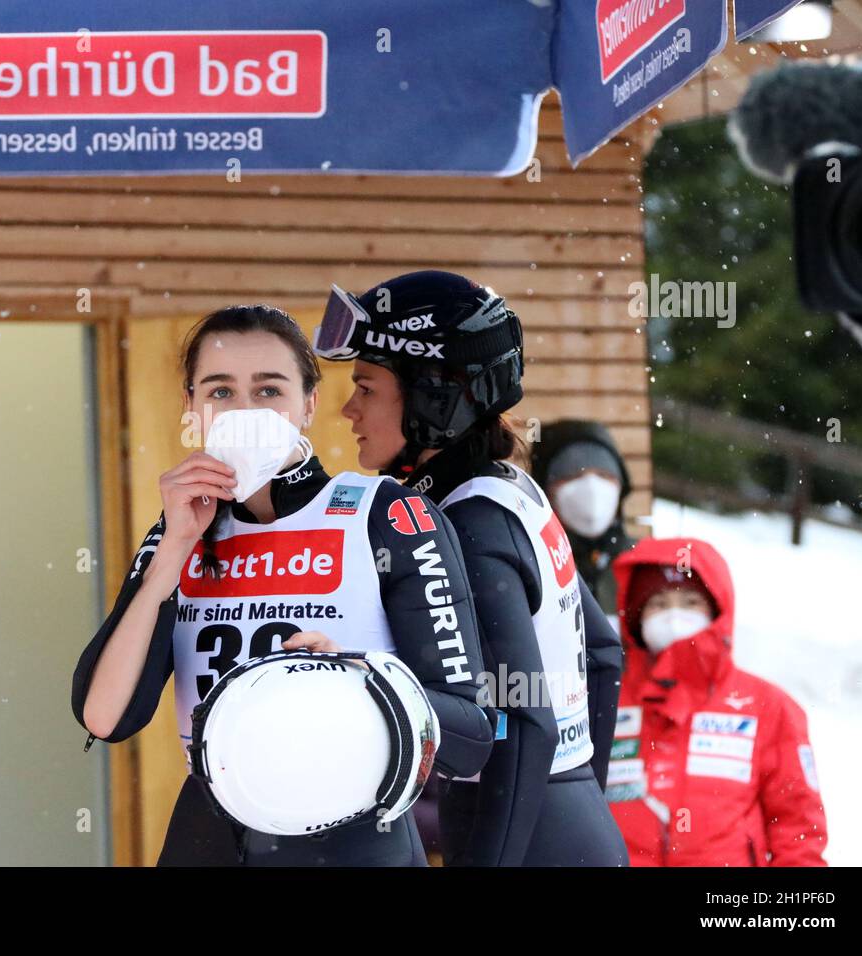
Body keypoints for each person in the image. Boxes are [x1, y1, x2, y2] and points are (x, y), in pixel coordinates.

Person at [70, 304, 497, 866]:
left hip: (352, 833)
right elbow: (106, 717)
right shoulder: (178, 532)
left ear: (308, 405)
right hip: (211, 830)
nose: (245, 409)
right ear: (191, 408)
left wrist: (357, 676)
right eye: (220, 392)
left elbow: (470, 739)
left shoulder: (383, 514)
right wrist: (172, 550)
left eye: (269, 391)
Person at [313, 270, 628, 866]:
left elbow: (523, 718)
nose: (348, 410)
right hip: (558, 821)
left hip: (522, 832)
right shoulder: (505, 487)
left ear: (436, 398)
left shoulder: (470, 524)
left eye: (366, 388)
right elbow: (605, 655)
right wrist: (583, 790)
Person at [608, 536, 828, 866]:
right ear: (636, 618)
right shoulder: (604, 701)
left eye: (690, 602)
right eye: (658, 604)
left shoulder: (768, 706)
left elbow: (798, 830)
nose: (674, 616)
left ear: (717, 609)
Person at [530, 419, 635, 619]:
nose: (591, 486)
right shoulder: (532, 564)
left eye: (604, 475)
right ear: (545, 490)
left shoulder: (642, 564)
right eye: (571, 475)